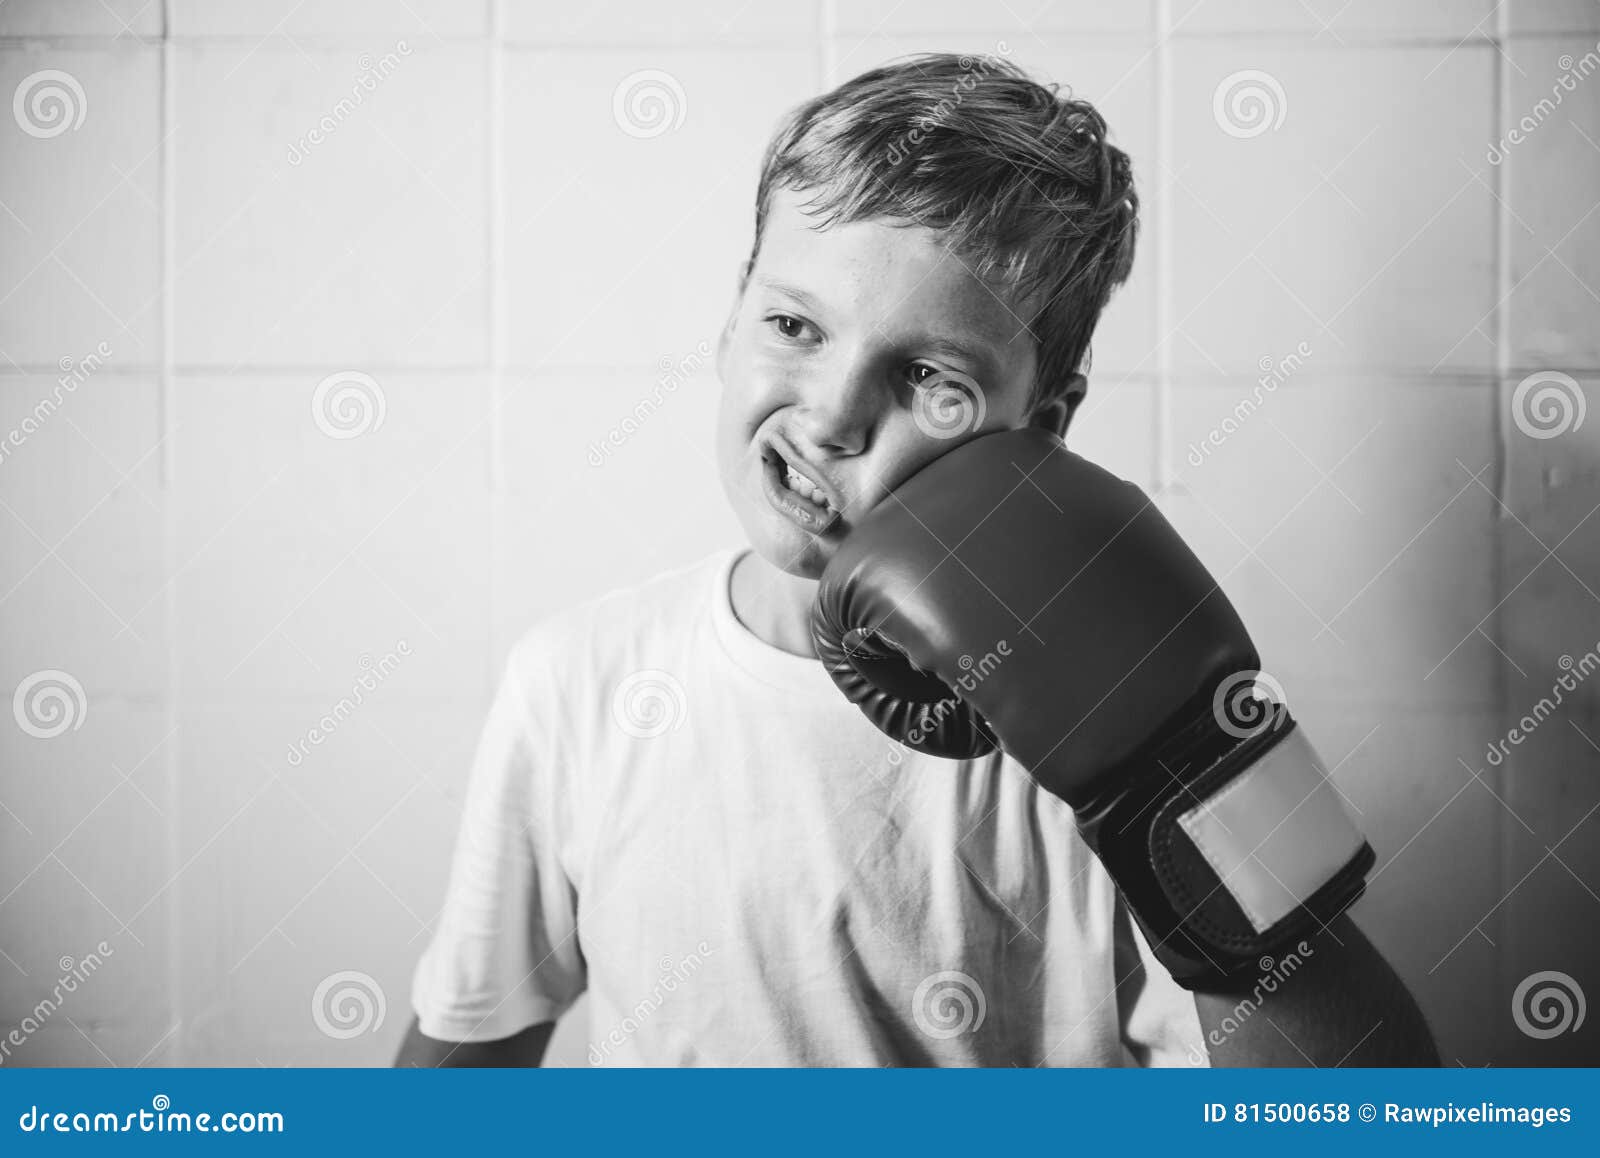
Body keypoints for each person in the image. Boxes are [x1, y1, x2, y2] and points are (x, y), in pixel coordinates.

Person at [397, 53, 1437, 1068]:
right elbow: (458, 1069)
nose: (832, 415)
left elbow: (1375, 1117)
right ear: (730, 319)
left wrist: (1180, 773)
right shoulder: (581, 684)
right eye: (793, 324)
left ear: (1040, 428)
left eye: (928, 377)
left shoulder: (1086, 728)